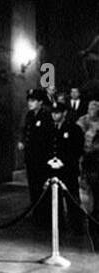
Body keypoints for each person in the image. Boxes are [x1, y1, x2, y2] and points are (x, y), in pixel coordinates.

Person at [47, 98, 85, 232]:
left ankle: (76, 226)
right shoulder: (50, 128)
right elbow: (47, 147)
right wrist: (50, 160)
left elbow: (77, 149)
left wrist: (64, 161)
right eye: (53, 113)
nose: (54, 115)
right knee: (55, 199)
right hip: (54, 169)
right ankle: (59, 226)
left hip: (68, 169)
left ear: (64, 113)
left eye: (57, 113)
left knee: (71, 197)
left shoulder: (73, 128)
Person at [20, 88, 55, 227]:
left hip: (41, 157)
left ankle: (45, 215)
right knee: (33, 186)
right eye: (29, 100)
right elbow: (26, 131)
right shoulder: (30, 115)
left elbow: (46, 137)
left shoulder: (45, 116)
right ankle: (36, 212)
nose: (30, 103)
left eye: (33, 101)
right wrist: (22, 142)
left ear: (40, 102)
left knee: (42, 186)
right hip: (31, 157)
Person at [80, 99, 99, 249]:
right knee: (91, 200)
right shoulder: (83, 121)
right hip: (89, 163)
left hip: (95, 162)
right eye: (90, 107)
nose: (92, 110)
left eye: (95, 108)